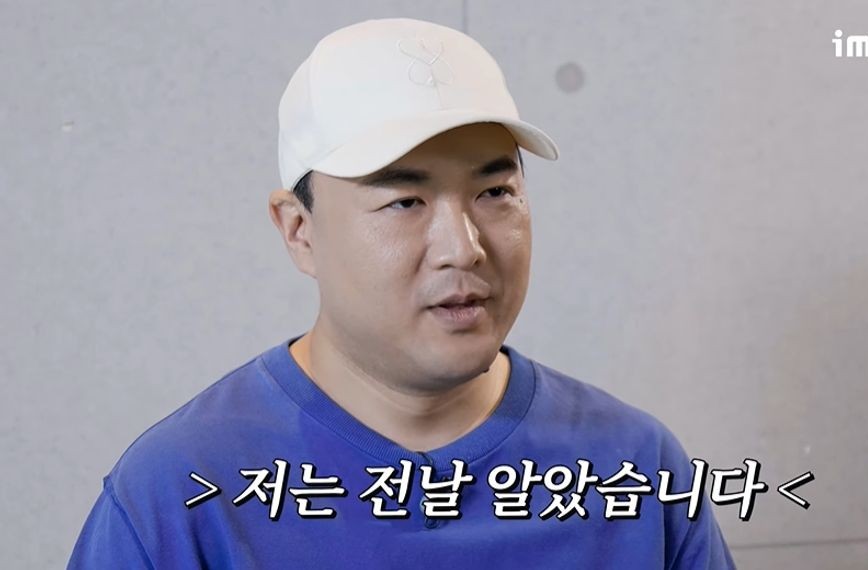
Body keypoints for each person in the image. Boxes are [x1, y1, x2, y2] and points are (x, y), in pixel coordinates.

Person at [68, 17, 736, 569]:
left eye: (495, 192)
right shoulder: (181, 493)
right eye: (404, 201)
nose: (463, 247)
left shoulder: (632, 469)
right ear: (299, 230)